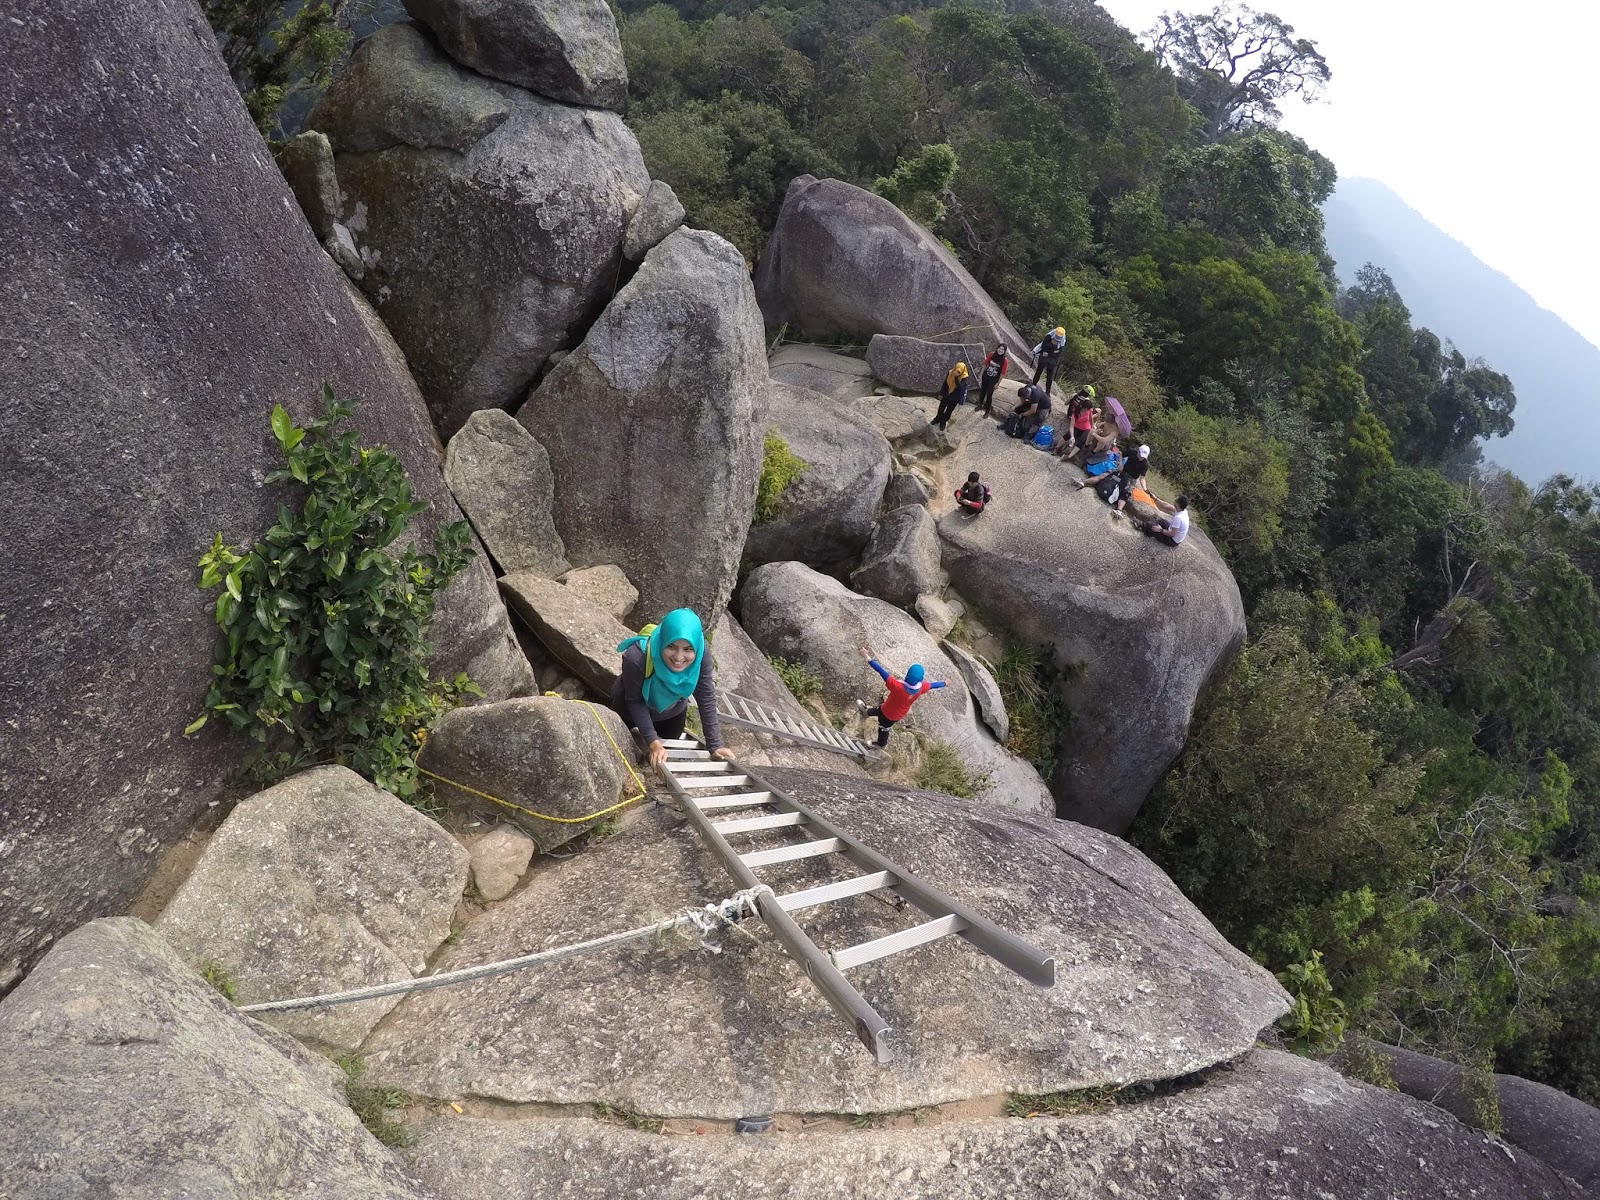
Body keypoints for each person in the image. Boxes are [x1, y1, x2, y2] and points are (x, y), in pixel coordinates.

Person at [611, 609, 732, 770]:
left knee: (662, 757)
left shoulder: (701, 652)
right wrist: (653, 742)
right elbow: (635, 701)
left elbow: (705, 694)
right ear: (662, 640)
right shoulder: (636, 656)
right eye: (671, 646)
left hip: (671, 714)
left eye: (688, 649)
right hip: (628, 711)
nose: (679, 657)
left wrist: (715, 744)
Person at [855, 647, 946, 748]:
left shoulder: (898, 686)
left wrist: (867, 657)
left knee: (883, 728)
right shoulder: (921, 688)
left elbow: (881, 671)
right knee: (879, 710)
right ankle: (867, 712)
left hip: (889, 715)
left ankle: (881, 744)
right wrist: (944, 683)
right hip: (895, 713)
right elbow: (933, 685)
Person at [1055, 387, 1099, 462]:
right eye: (1087, 409)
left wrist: (1092, 427)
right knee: (1068, 435)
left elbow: (1091, 418)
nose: (1088, 410)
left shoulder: (1088, 410)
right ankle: (1057, 448)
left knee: (1082, 440)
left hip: (1086, 427)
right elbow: (1071, 426)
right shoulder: (1075, 413)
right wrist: (1072, 437)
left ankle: (1069, 457)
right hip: (1076, 426)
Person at [933, 360, 970, 431]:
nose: (957, 372)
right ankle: (937, 419)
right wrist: (941, 393)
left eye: (959, 372)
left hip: (955, 397)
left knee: (948, 411)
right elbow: (945, 383)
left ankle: (943, 422)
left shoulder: (964, 377)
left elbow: (960, 387)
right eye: (956, 370)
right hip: (947, 394)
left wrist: (956, 378)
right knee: (941, 408)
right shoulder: (950, 373)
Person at [1031, 326, 1066, 395]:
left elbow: (1059, 353)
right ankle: (1033, 384)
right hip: (1044, 355)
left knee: (1050, 375)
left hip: (1052, 358)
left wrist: (1049, 352)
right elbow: (1043, 346)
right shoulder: (1049, 335)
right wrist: (1053, 350)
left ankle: (1047, 391)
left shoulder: (1063, 341)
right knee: (1039, 370)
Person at [975, 345, 1009, 415]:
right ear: (997, 348)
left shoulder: (1004, 360)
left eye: (1002, 349)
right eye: (999, 348)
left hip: (994, 379)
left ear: (1004, 351)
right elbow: (985, 364)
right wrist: (981, 374)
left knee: (989, 394)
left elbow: (1002, 373)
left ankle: (987, 410)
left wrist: (998, 384)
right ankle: (980, 404)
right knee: (983, 391)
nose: (1000, 350)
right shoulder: (991, 355)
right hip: (986, 375)